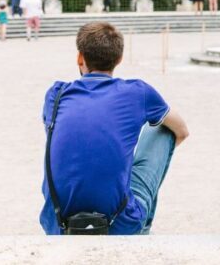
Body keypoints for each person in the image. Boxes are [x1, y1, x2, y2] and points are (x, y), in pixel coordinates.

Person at [40, 22, 189, 235]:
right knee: (163, 129)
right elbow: (182, 130)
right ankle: (141, 228)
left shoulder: (56, 94)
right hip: (119, 223)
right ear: (119, 59)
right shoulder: (138, 92)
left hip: (58, 222)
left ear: (79, 58)